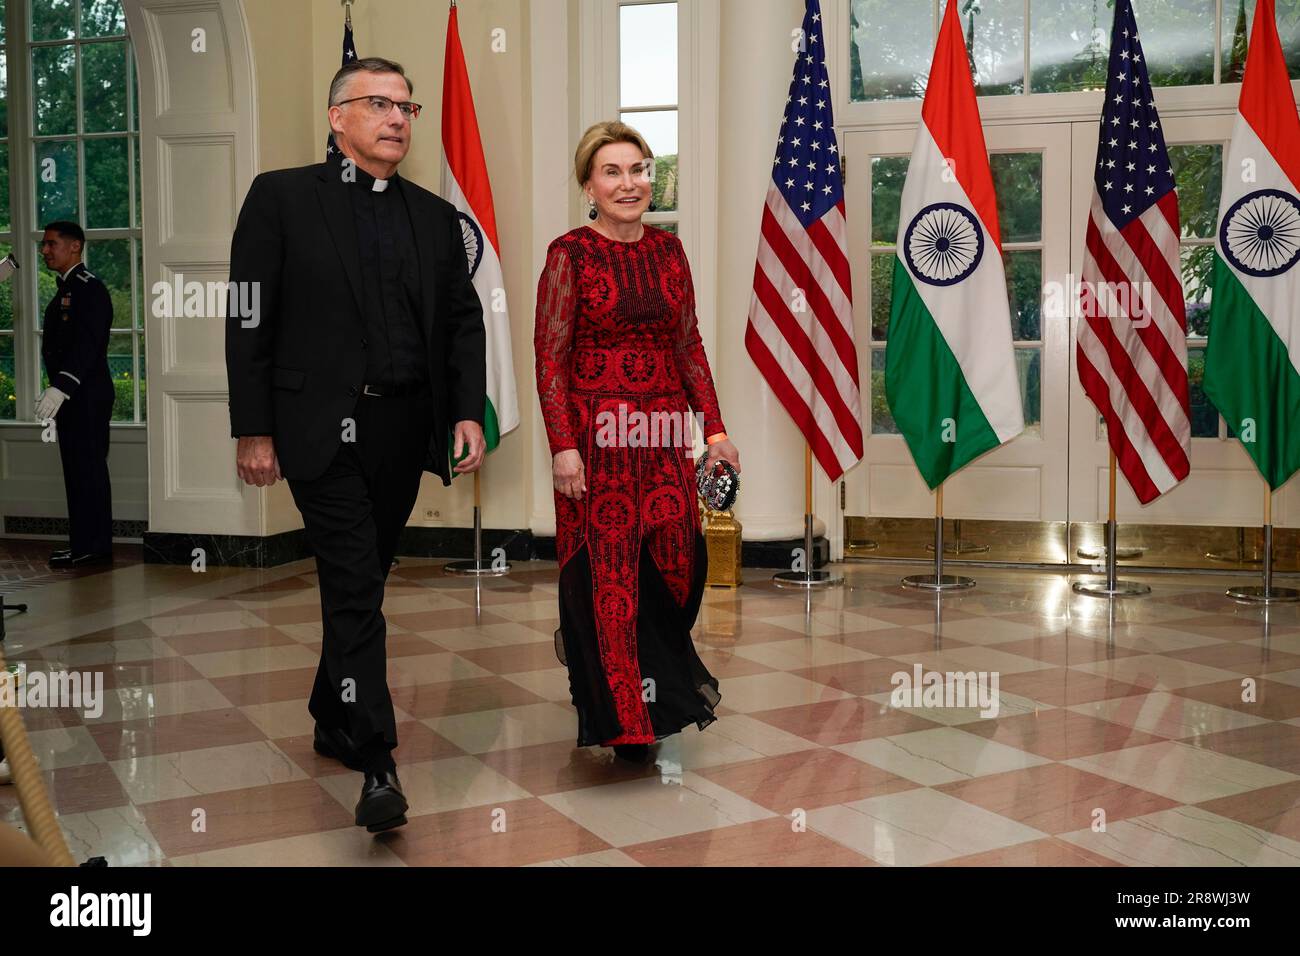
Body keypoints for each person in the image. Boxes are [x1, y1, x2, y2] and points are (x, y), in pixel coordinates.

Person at [225, 57, 486, 832]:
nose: (399, 117)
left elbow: (462, 323)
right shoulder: (280, 198)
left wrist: (466, 412)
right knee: (350, 583)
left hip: (402, 430)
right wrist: (254, 426)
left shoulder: (436, 218)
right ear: (337, 117)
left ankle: (330, 710)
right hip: (318, 428)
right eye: (379, 103)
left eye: (407, 105)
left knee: (363, 580)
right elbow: (248, 318)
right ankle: (377, 759)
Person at [534, 121, 740, 762]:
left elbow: (689, 346)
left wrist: (715, 427)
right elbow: (550, 360)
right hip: (595, 445)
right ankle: (625, 720)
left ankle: (652, 687)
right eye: (612, 172)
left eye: (638, 170)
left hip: (665, 439)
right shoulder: (569, 254)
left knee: (679, 565)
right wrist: (563, 447)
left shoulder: (669, 252)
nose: (629, 184)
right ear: (589, 185)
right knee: (611, 579)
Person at [36, 221, 115, 569]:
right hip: (72, 397)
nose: (45, 250)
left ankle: (95, 546)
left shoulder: (89, 288)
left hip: (86, 396)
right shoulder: (66, 289)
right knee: (76, 472)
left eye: (52, 244)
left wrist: (61, 386)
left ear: (75, 247)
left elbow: (88, 345)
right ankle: (82, 543)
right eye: (44, 244)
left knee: (89, 471)